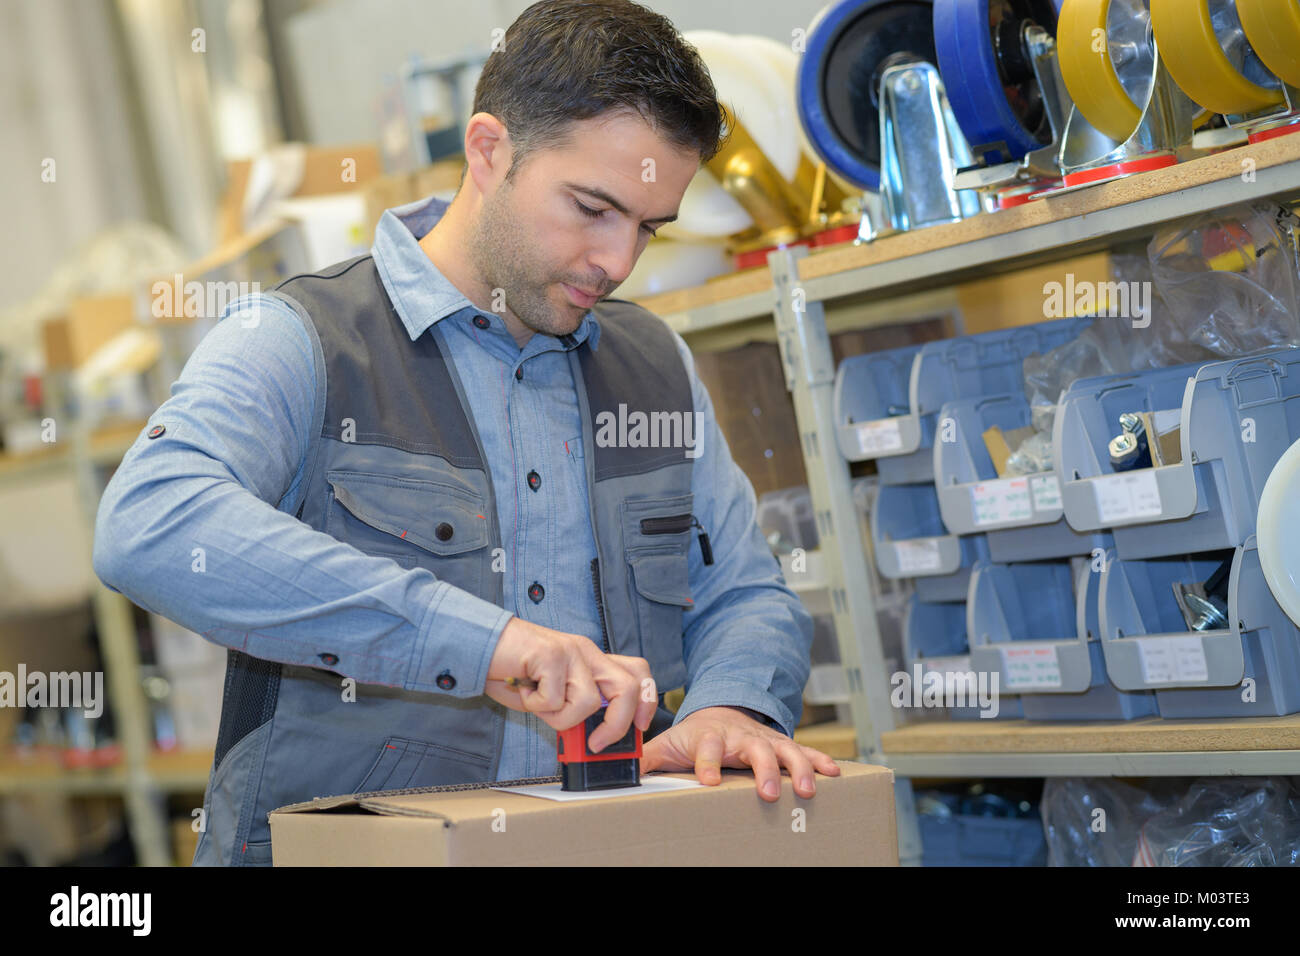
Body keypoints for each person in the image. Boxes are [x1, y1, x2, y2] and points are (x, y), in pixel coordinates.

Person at [94, 0, 838, 867]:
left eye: (647, 226)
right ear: (488, 151)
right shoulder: (303, 339)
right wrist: (482, 644)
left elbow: (745, 593)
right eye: (592, 207)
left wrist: (731, 706)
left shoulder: (654, 365)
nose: (618, 261)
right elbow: (148, 522)